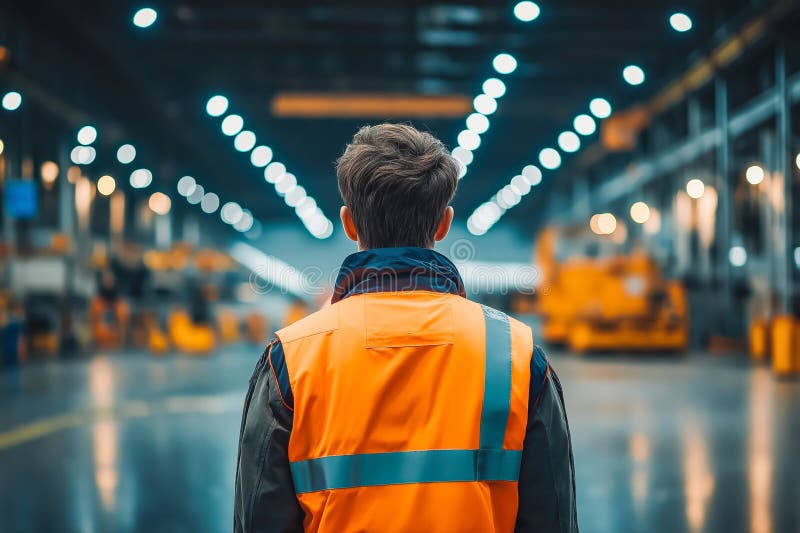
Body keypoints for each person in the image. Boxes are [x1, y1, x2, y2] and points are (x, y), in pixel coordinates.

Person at [234, 124, 578, 532]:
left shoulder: (290, 358)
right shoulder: (514, 354)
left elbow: (260, 518)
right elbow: (551, 518)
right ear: (444, 223)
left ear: (348, 224)